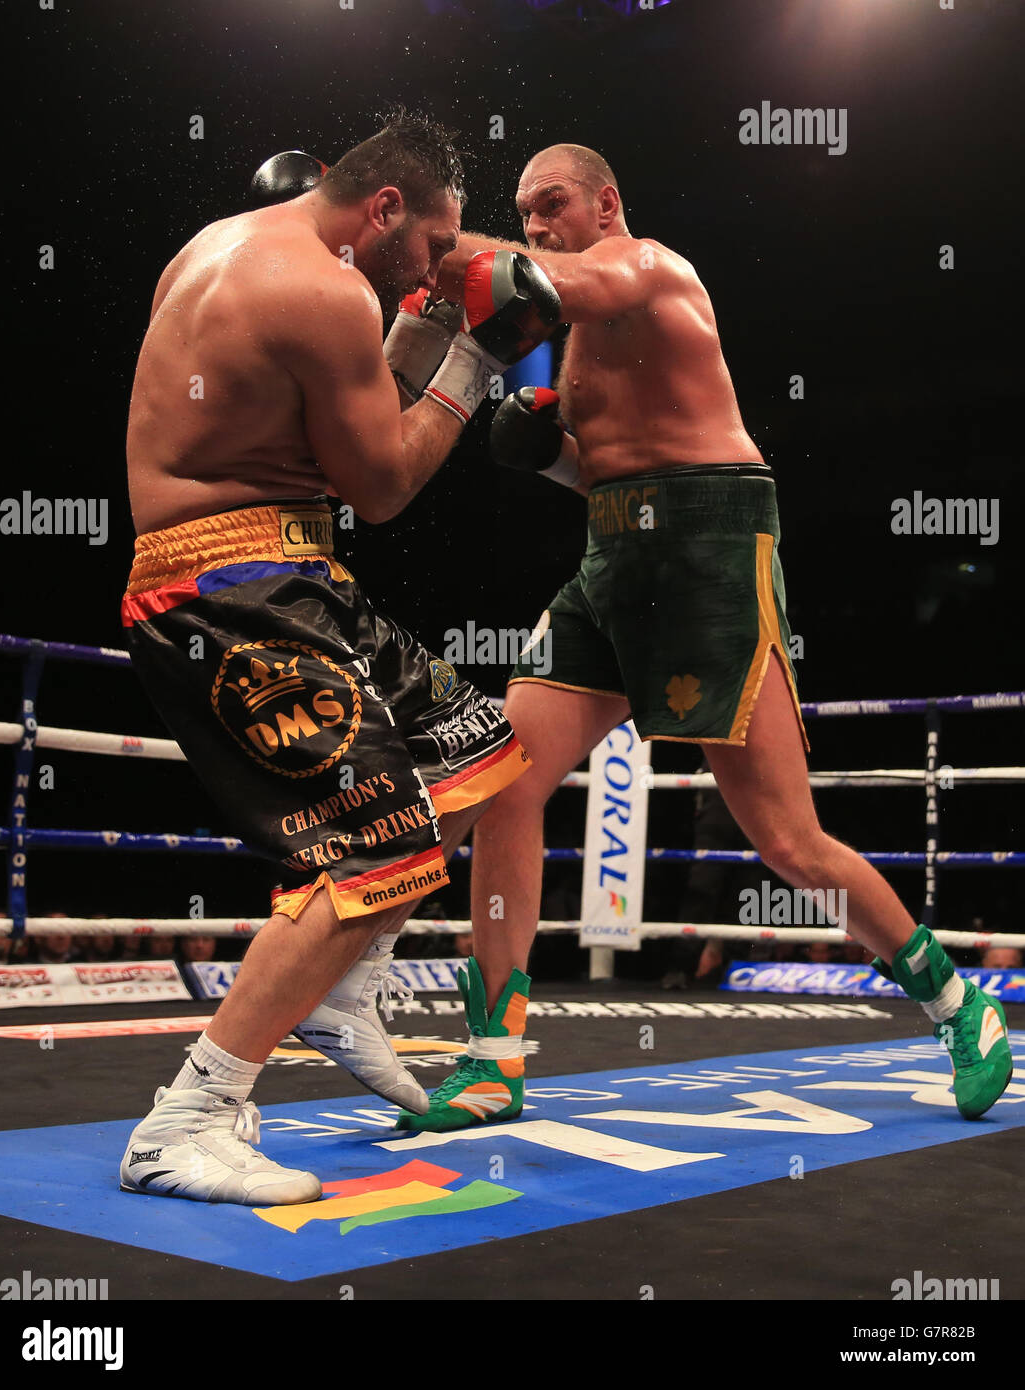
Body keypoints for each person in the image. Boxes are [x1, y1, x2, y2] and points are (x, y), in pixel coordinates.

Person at [395, 142, 1013, 1131]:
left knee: (790, 843)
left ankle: (959, 1006)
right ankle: (494, 1060)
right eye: (526, 209)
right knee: (504, 774)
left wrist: (420, 240)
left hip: (712, 550)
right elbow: (603, 475)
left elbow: (543, 276)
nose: (540, 223)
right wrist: (548, 453)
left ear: (607, 203)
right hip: (614, 557)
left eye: (552, 204)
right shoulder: (583, 340)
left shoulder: (647, 268)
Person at [118, 114, 559, 1204]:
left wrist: (421, 324)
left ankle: (343, 990)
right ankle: (187, 1118)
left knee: (481, 756)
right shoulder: (319, 292)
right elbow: (381, 485)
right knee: (371, 854)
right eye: (433, 243)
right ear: (385, 210)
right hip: (228, 590)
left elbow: (316, 408)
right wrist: (472, 357)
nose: (440, 266)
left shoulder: (232, 246)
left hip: (289, 570)